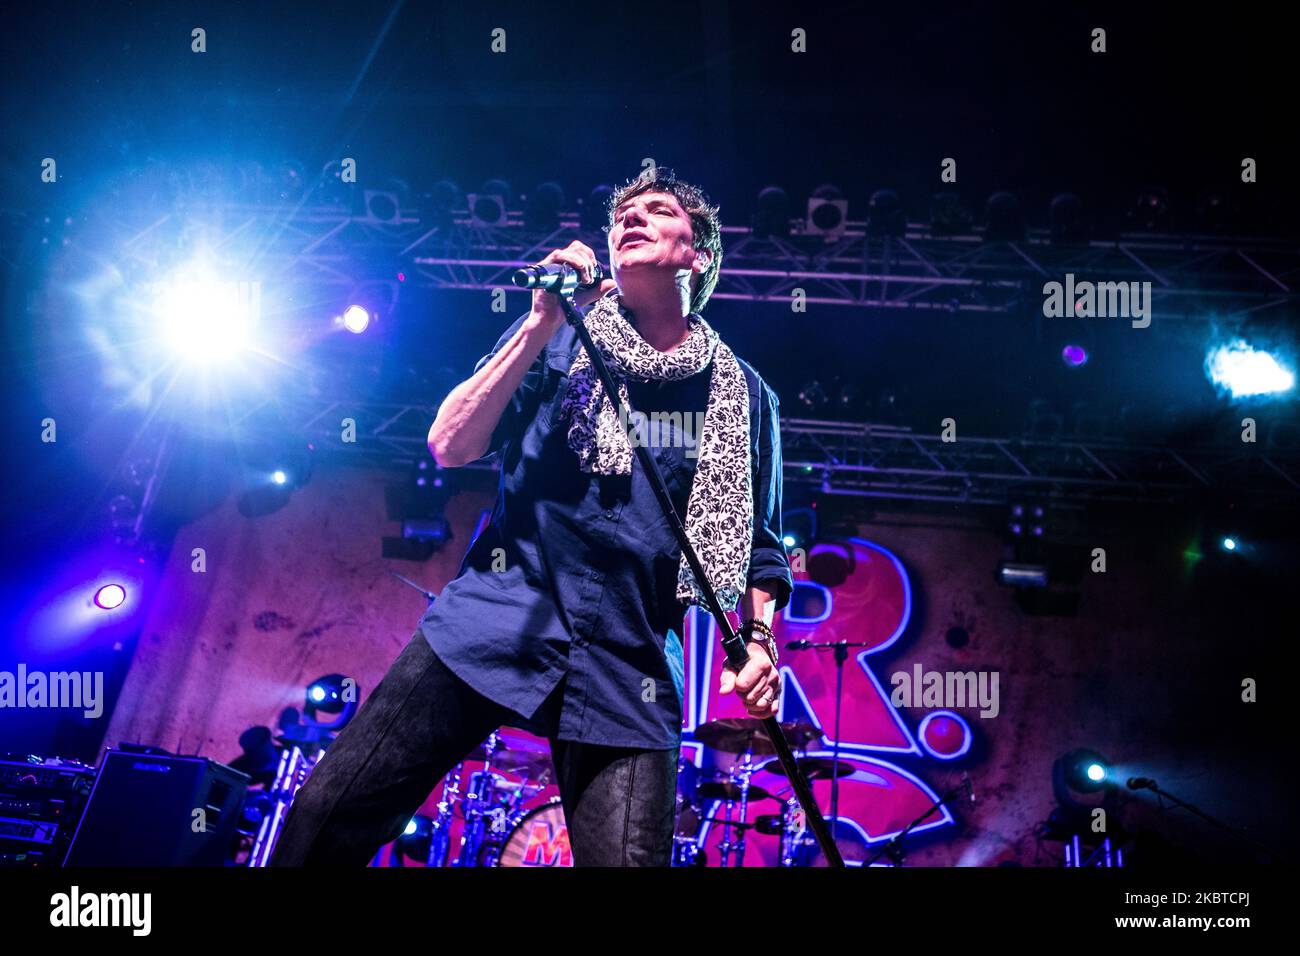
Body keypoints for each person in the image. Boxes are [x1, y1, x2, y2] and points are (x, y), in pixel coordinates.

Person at [269, 171, 792, 867]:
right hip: (493, 619)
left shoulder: (745, 396)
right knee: (327, 816)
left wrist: (759, 643)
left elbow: (760, 548)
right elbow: (450, 444)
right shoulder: (557, 336)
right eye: (622, 215)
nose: (629, 220)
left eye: (656, 212)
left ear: (697, 255)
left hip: (629, 660)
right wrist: (540, 320)